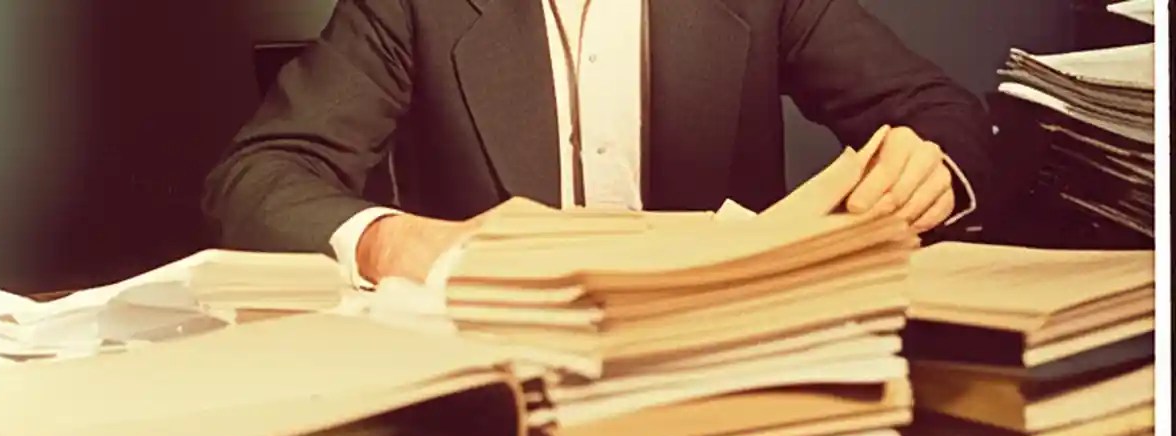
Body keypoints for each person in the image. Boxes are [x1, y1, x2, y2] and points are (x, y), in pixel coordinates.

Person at [204, 0, 989, 288]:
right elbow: (258, 177)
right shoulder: (415, 5)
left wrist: (933, 169)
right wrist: (389, 242)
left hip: (732, 375)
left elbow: (939, 111)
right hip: (507, 393)